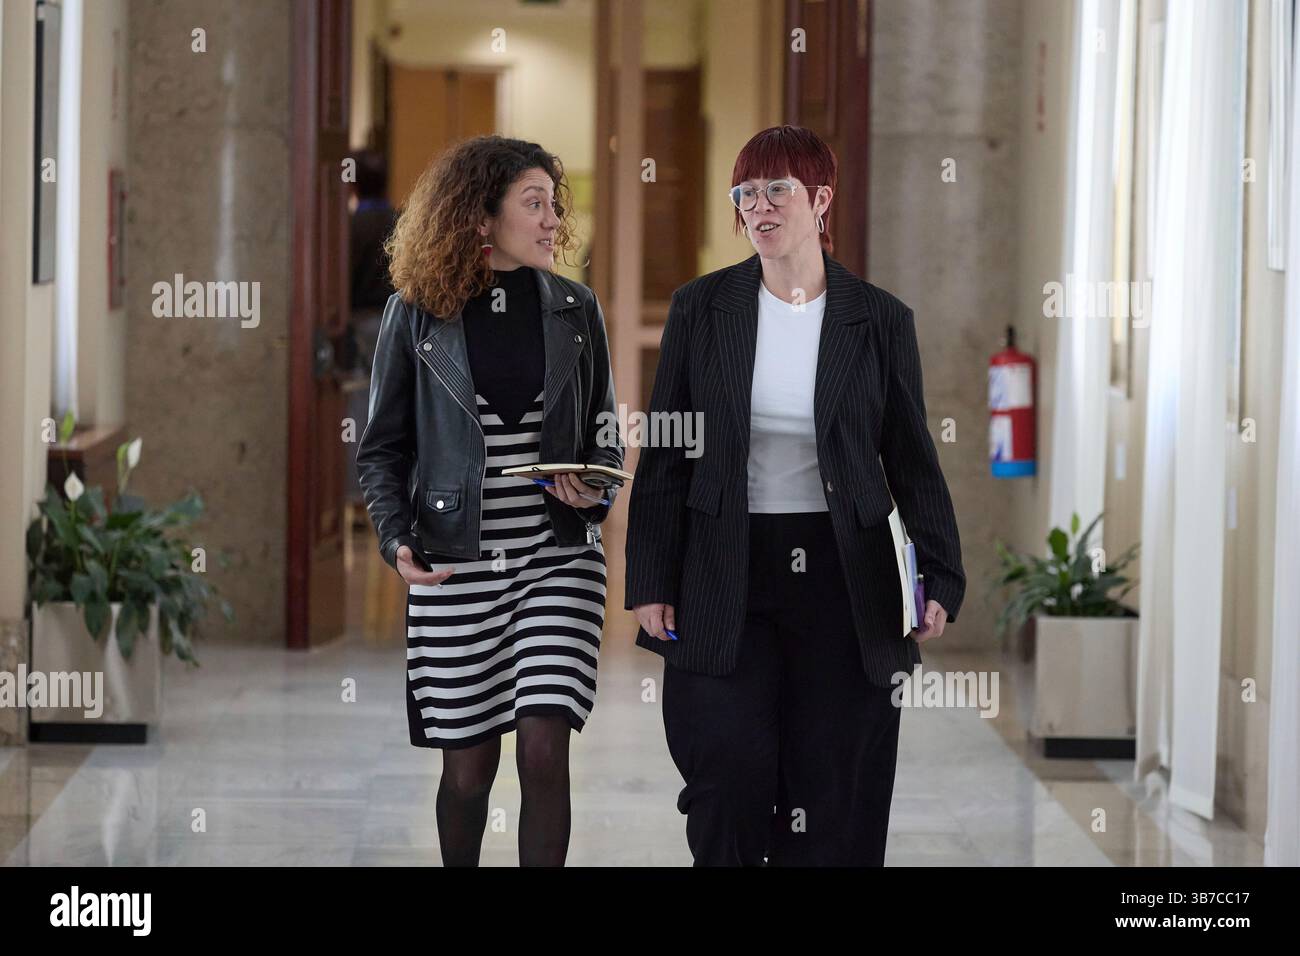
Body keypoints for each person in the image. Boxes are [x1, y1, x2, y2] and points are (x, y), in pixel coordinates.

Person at [624, 125, 965, 866]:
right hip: (725, 571)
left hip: (844, 579)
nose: (760, 206)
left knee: (833, 791)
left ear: (820, 199)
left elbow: (910, 457)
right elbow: (669, 453)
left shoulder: (878, 320)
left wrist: (940, 572)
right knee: (728, 776)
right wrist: (651, 576)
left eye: (778, 189)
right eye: (746, 193)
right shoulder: (701, 309)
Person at [356, 135, 623, 866]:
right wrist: (395, 537)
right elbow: (381, 448)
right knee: (468, 773)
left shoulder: (576, 308)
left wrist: (594, 484)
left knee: (543, 749)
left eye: (554, 205)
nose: (551, 221)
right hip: (455, 569)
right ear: (481, 217)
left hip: (557, 560)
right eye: (533, 204)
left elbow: (606, 431)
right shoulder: (415, 315)